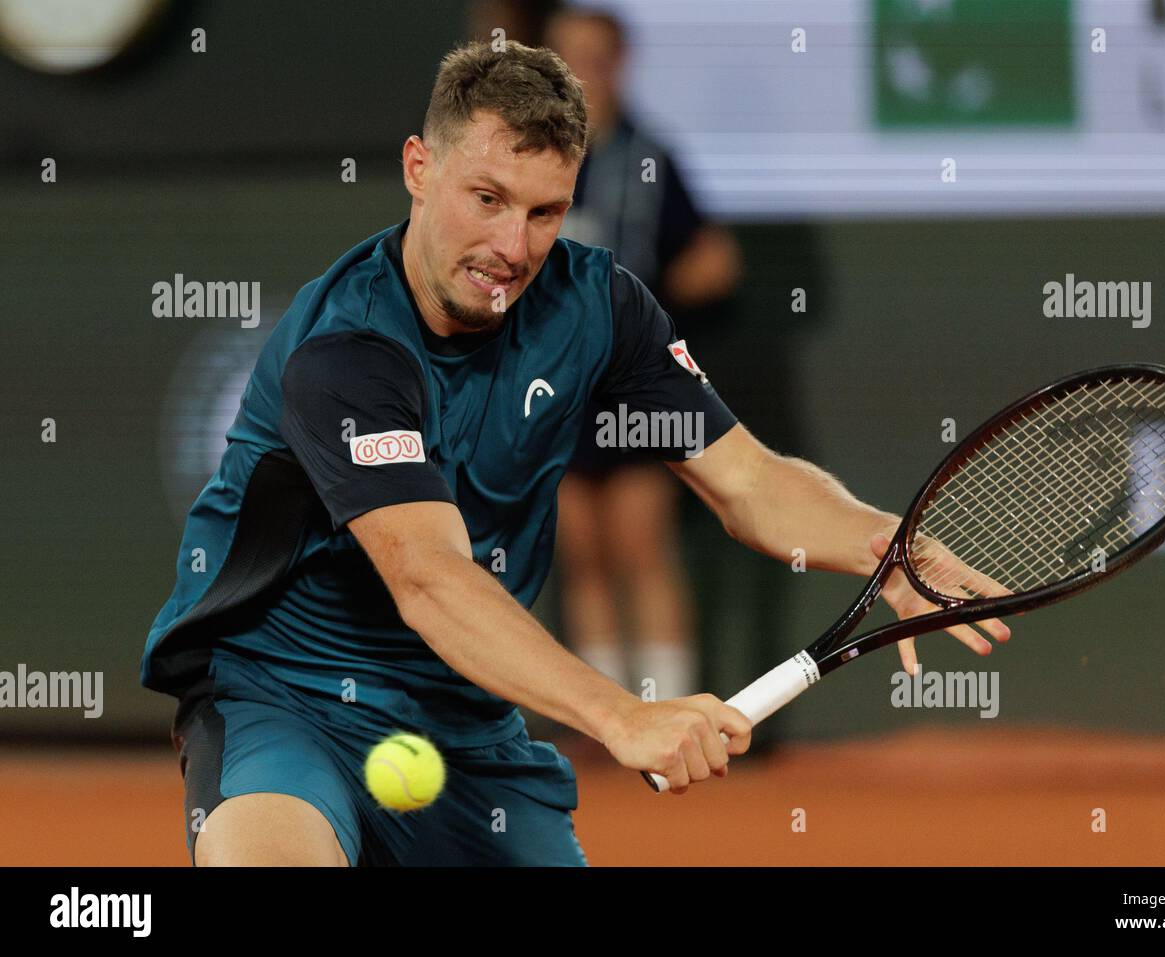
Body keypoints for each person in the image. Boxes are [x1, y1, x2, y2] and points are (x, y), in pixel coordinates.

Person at [141, 40, 1009, 867]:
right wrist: (621, 715)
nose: (513, 250)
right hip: (283, 697)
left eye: (544, 210)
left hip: (462, 718)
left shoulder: (600, 307)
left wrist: (880, 544)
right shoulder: (345, 351)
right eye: (487, 198)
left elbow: (746, 481)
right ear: (418, 167)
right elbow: (428, 577)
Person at [544, 7, 742, 701]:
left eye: (596, 58)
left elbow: (716, 262)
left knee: (639, 546)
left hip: (634, 381)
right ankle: (609, 718)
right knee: (582, 555)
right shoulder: (531, 154)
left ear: (621, 63)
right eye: (569, 57)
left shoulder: (651, 156)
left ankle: (671, 708)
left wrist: (641, 297)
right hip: (552, 383)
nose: (584, 73)